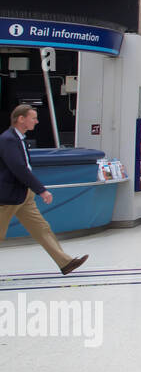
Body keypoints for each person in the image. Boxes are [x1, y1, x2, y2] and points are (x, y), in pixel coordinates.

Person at [0, 104, 89, 275]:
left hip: (24, 195)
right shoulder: (7, 139)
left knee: (42, 229)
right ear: (21, 119)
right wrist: (41, 189)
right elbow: (18, 168)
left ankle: (65, 262)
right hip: (8, 197)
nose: (37, 121)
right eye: (33, 118)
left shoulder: (19, 139)